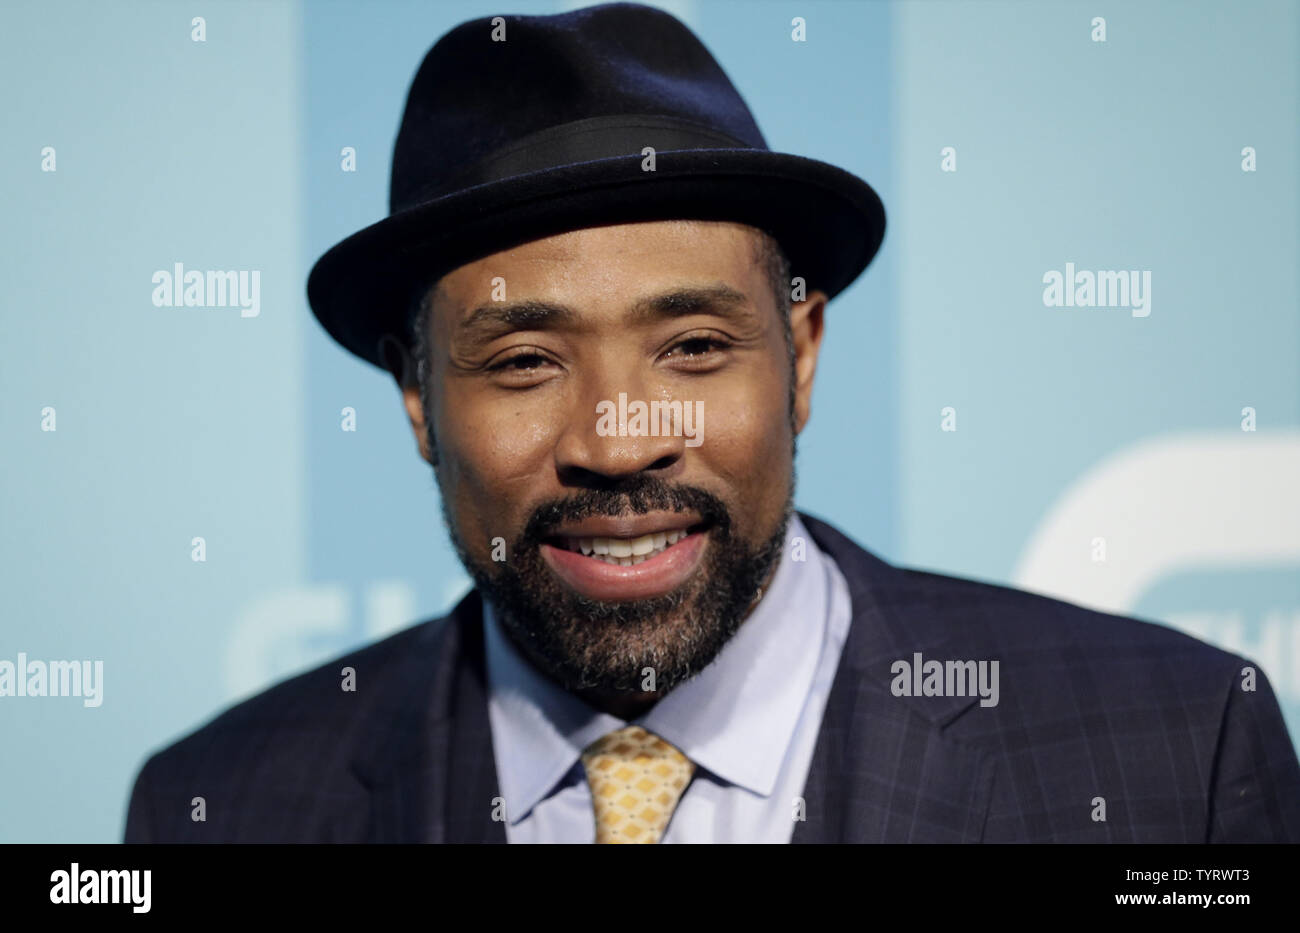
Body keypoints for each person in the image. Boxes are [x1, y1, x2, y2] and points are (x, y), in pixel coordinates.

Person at [124, 2, 1300, 844]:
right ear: (418, 399)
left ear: (800, 353)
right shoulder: (221, 807)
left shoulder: (1169, 754)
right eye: (526, 360)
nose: (620, 436)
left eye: (691, 347)